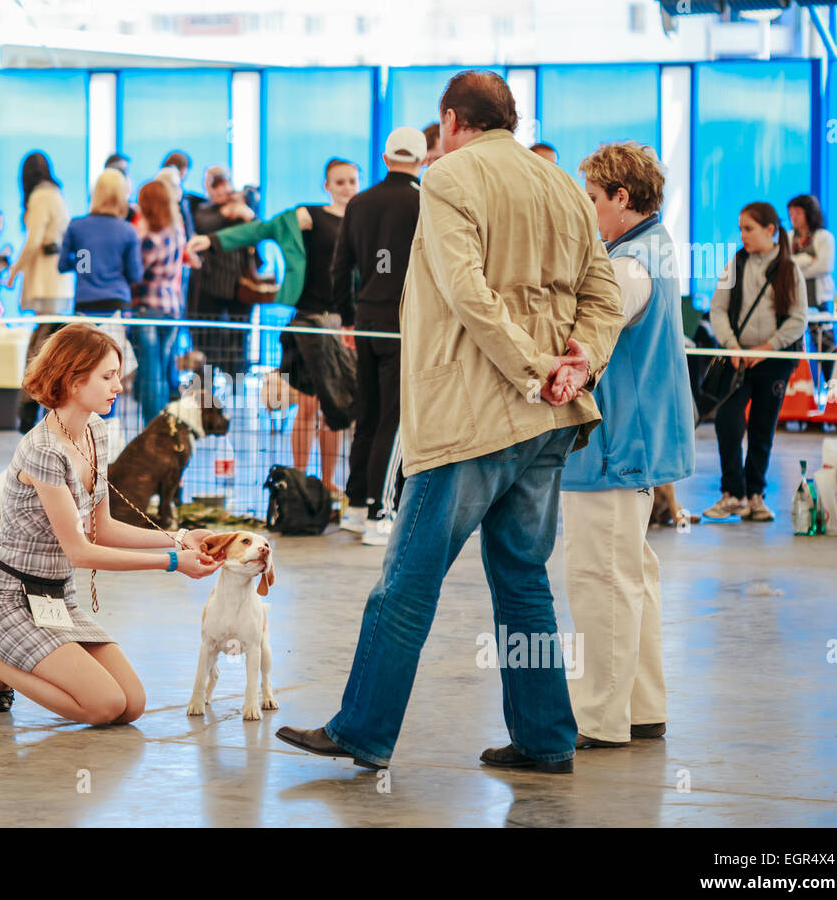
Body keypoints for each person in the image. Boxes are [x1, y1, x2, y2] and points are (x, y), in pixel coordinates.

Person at [275, 70, 624, 775]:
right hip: (551, 419)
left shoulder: (449, 178)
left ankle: (363, 731)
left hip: (472, 415)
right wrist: (575, 365)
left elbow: (468, 293)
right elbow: (602, 292)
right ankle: (546, 739)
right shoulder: (562, 183)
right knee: (525, 583)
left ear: (451, 121)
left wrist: (531, 367)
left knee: (408, 579)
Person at [0, 324, 219, 722]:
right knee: (104, 706)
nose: (119, 386)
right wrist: (172, 562)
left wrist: (180, 537)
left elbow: (103, 529)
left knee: (132, 704)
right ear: (75, 382)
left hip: (56, 600)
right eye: (108, 377)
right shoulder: (43, 451)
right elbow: (80, 551)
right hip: (7, 601)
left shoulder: (96, 430)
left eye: (117, 375)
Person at [560, 142, 695, 749]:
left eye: (592, 198)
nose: (586, 209)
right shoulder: (654, 247)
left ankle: (598, 720)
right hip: (638, 447)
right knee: (632, 576)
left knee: (599, 580)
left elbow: (598, 323)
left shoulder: (627, 266)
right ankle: (641, 709)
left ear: (622, 198)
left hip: (612, 449)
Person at [189, 157, 360, 495]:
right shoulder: (306, 217)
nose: (347, 188)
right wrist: (213, 241)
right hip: (309, 322)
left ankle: (327, 482)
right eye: (339, 182)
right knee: (308, 405)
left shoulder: (363, 221)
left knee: (335, 407)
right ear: (326, 185)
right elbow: (259, 230)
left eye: (353, 181)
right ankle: (298, 480)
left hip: (344, 323)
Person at [334, 127, 425, 547]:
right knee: (394, 417)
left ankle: (354, 506)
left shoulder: (360, 203)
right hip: (404, 321)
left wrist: (349, 320)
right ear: (422, 162)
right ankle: (379, 511)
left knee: (366, 413)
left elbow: (341, 268)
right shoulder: (424, 201)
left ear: (385, 159)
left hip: (366, 319)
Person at [702, 202, 808, 521]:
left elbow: (798, 319)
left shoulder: (790, 268)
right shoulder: (735, 263)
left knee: (763, 428)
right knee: (727, 422)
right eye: (740, 229)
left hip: (774, 362)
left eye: (748, 229)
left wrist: (767, 348)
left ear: (770, 230)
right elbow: (717, 309)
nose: (742, 236)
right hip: (738, 361)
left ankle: (755, 495)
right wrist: (734, 347)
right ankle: (732, 494)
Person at [188, 164, 258, 376]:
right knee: (207, 338)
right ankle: (205, 388)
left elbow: (258, 231)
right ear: (207, 187)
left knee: (238, 338)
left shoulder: (243, 207)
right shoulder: (201, 210)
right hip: (209, 286)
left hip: (240, 285)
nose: (220, 190)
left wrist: (247, 214)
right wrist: (227, 213)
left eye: (224, 183)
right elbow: (204, 224)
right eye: (214, 185)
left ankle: (237, 382)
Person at [131, 178, 189, 423]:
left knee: (151, 373)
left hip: (148, 307)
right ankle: (164, 425)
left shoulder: (149, 238)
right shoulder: (177, 231)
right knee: (163, 371)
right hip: (172, 307)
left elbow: (136, 273)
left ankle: (151, 429)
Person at [58, 169, 142, 317]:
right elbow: (135, 274)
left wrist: (85, 262)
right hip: (118, 303)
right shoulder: (128, 230)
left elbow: (62, 265)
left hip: (85, 303)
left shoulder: (76, 226)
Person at [11, 151, 72, 315]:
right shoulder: (56, 194)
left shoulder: (40, 197)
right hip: (56, 272)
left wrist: (14, 271)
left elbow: (33, 241)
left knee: (46, 329)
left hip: (45, 275)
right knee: (52, 327)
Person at [788, 193, 835, 375]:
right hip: (794, 303)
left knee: (826, 348)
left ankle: (834, 391)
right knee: (793, 348)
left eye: (798, 213)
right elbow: (785, 266)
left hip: (818, 300)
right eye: (791, 214)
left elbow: (824, 266)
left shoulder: (824, 237)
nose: (794, 218)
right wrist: (807, 258)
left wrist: (796, 266)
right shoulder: (788, 237)